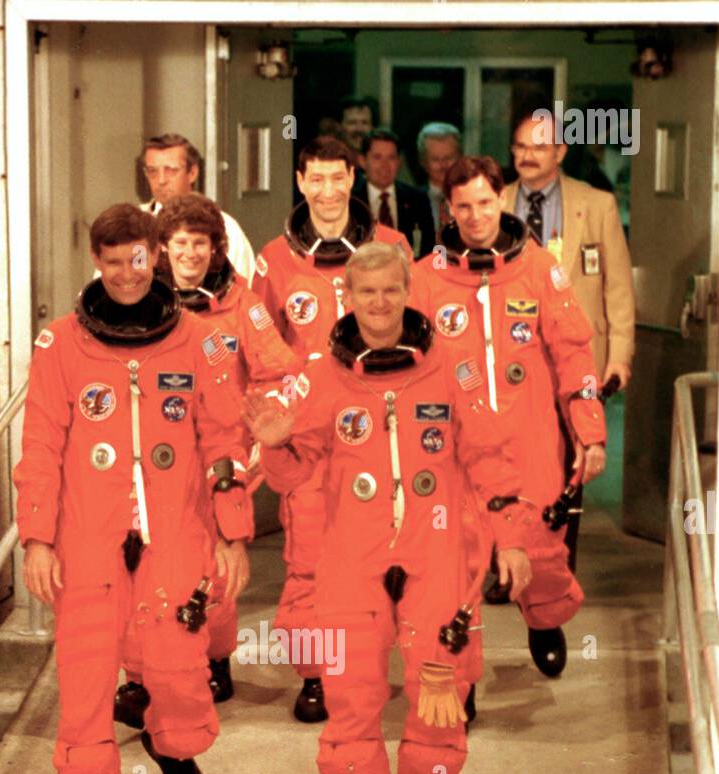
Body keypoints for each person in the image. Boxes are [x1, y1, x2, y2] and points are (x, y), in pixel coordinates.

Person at [245, 241, 532, 774]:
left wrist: (512, 535)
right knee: (350, 693)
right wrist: (275, 445)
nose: (379, 305)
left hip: (434, 553)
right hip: (351, 560)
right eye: (365, 292)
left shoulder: (452, 368)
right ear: (346, 297)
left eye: (390, 291)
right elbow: (296, 472)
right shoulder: (321, 375)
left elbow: (489, 456)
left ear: (409, 293)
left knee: (440, 682)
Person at [14, 203, 252, 774]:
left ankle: (173, 748)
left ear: (157, 256)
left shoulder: (203, 341)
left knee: (178, 662)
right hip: (87, 543)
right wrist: (36, 537)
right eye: (112, 262)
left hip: (176, 537)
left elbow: (224, 442)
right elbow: (41, 448)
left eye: (137, 259)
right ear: (97, 263)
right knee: (85, 687)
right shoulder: (60, 345)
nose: (125, 273)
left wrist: (235, 531)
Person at [409, 155, 607, 681]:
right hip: (457, 445)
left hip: (532, 438)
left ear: (502, 198)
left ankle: (544, 619)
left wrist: (589, 433)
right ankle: (459, 673)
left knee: (541, 547)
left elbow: (575, 354)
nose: (475, 216)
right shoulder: (424, 279)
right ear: (448, 209)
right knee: (459, 561)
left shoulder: (540, 269)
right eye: (463, 207)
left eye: (484, 202)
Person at [113, 192, 298, 727]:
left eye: (200, 243)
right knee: (140, 567)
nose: (190, 253)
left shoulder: (243, 304)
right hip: (151, 460)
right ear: (162, 250)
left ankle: (215, 661)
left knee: (215, 569)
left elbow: (279, 371)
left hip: (220, 458)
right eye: (179, 244)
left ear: (216, 248)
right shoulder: (142, 300)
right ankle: (138, 677)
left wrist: (261, 439)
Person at [252, 136, 412, 722]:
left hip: (378, 430)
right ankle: (317, 674)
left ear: (353, 179)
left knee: (387, 553)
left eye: (336, 178)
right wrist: (279, 413)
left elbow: (418, 329)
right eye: (314, 179)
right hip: (311, 439)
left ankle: (374, 665)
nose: (326, 191)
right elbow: (259, 347)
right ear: (301, 181)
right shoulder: (274, 259)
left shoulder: (392, 246)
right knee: (309, 560)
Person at [504, 111, 635, 568]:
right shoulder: (494, 203)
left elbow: (617, 288)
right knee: (510, 467)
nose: (526, 156)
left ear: (560, 152)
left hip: (575, 357)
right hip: (511, 360)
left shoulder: (595, 204)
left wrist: (619, 357)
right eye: (519, 147)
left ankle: (558, 564)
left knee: (571, 463)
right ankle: (509, 563)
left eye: (537, 147)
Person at [140, 133, 256, 285]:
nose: (161, 180)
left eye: (171, 170)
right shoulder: (132, 226)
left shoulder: (224, 227)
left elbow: (242, 287)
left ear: (192, 173)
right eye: (152, 171)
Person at [359, 128, 436, 259]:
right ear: (362, 161)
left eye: (391, 157)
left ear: (399, 162)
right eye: (377, 157)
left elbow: (431, 248)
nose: (385, 165)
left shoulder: (418, 199)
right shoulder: (351, 201)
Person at [416, 122, 462, 231]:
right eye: (436, 159)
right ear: (423, 162)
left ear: (460, 157)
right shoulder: (412, 202)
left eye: (448, 157)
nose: (443, 165)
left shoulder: (473, 198)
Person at [339, 95, 378, 172]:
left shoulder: (383, 163)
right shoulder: (328, 163)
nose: (359, 129)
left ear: (372, 127)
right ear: (340, 127)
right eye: (352, 123)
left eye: (365, 123)